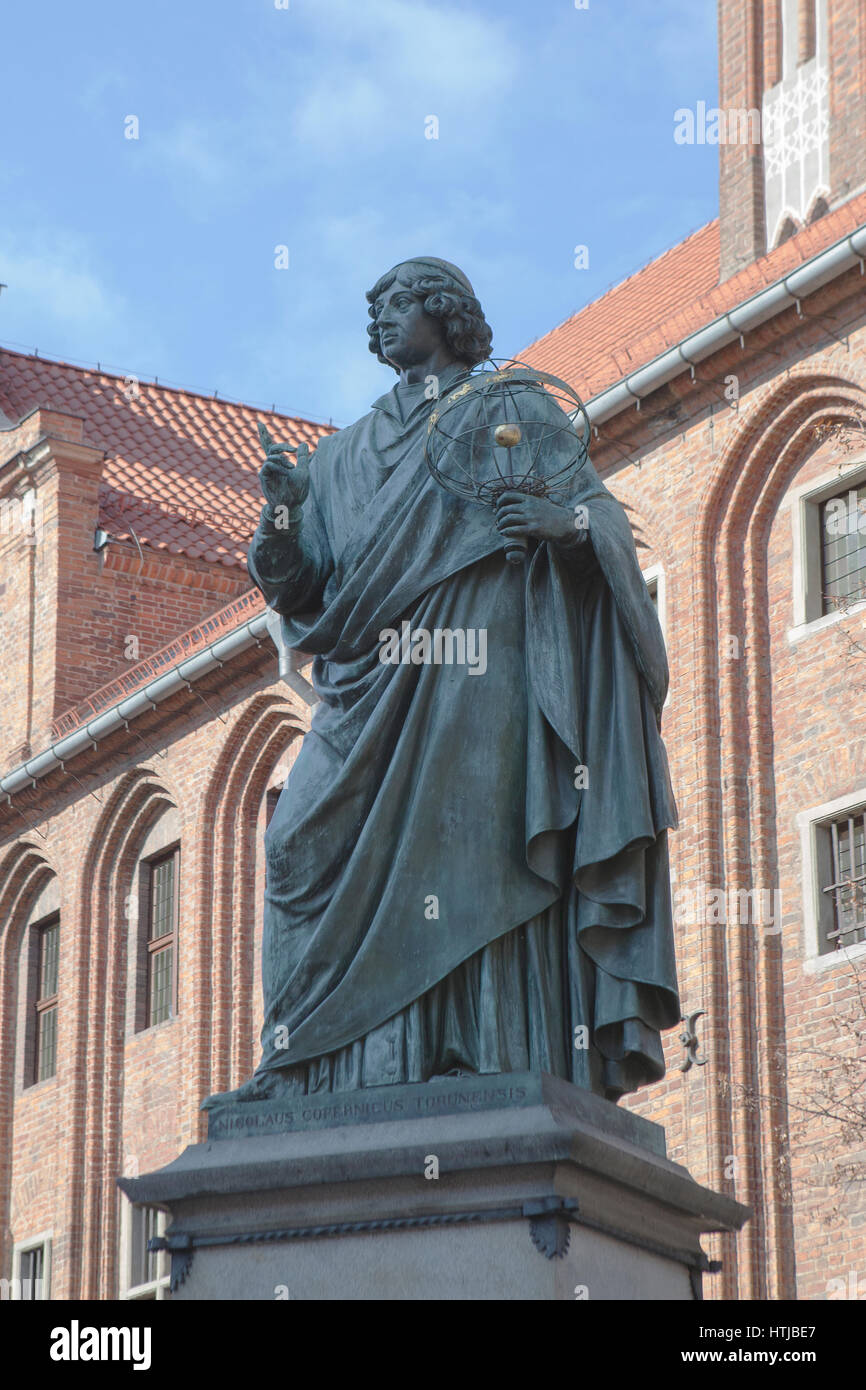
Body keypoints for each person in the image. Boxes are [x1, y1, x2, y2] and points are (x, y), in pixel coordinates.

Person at [202, 256, 679, 1110]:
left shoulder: (512, 408)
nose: (381, 319)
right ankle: (305, 1061)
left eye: (399, 302)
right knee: (294, 843)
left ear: (447, 313)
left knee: (477, 847)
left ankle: (480, 1049)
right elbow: (303, 587)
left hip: (480, 667)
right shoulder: (339, 459)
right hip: (369, 681)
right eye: (375, 309)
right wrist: (280, 510)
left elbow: (599, 518)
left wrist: (562, 524)